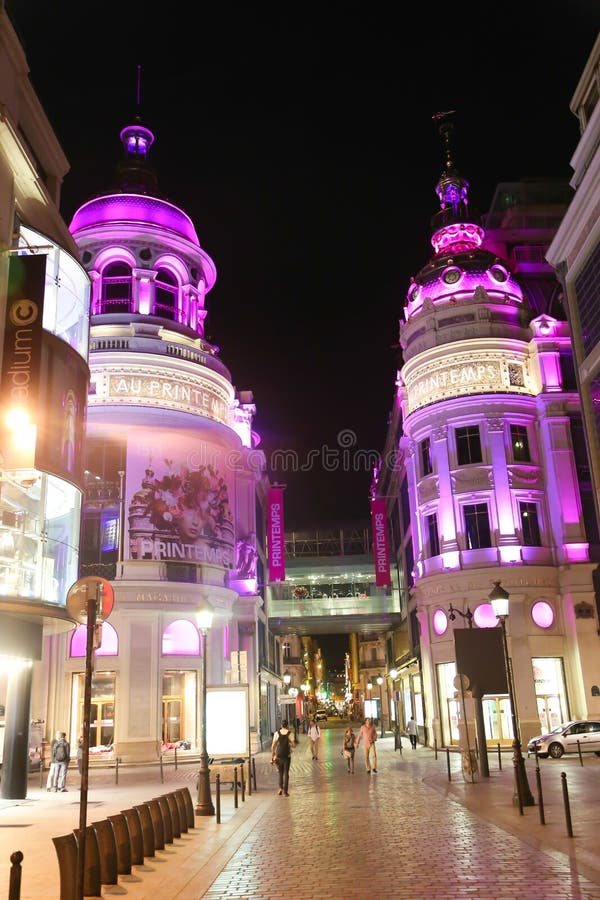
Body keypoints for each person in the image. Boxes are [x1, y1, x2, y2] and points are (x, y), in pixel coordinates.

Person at [271, 719, 296, 796]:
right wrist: (290, 743)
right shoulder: (290, 734)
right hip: (286, 756)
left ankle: (280, 788)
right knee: (286, 773)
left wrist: (273, 755)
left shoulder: (277, 733)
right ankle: (285, 792)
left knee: (280, 773)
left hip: (278, 755)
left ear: (281, 725)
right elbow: (294, 745)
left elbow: (273, 746)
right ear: (287, 725)